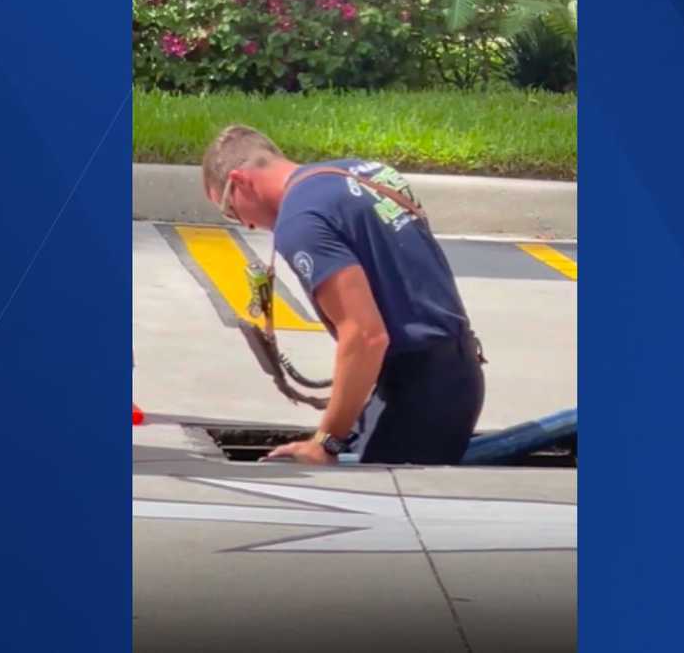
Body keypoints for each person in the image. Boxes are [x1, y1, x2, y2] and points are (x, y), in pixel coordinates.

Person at [201, 125, 484, 465]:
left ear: (241, 181)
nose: (245, 225)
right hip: (452, 368)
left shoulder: (301, 220)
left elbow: (365, 336)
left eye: (231, 211)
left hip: (420, 390)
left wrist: (325, 443)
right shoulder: (359, 171)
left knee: (371, 505)